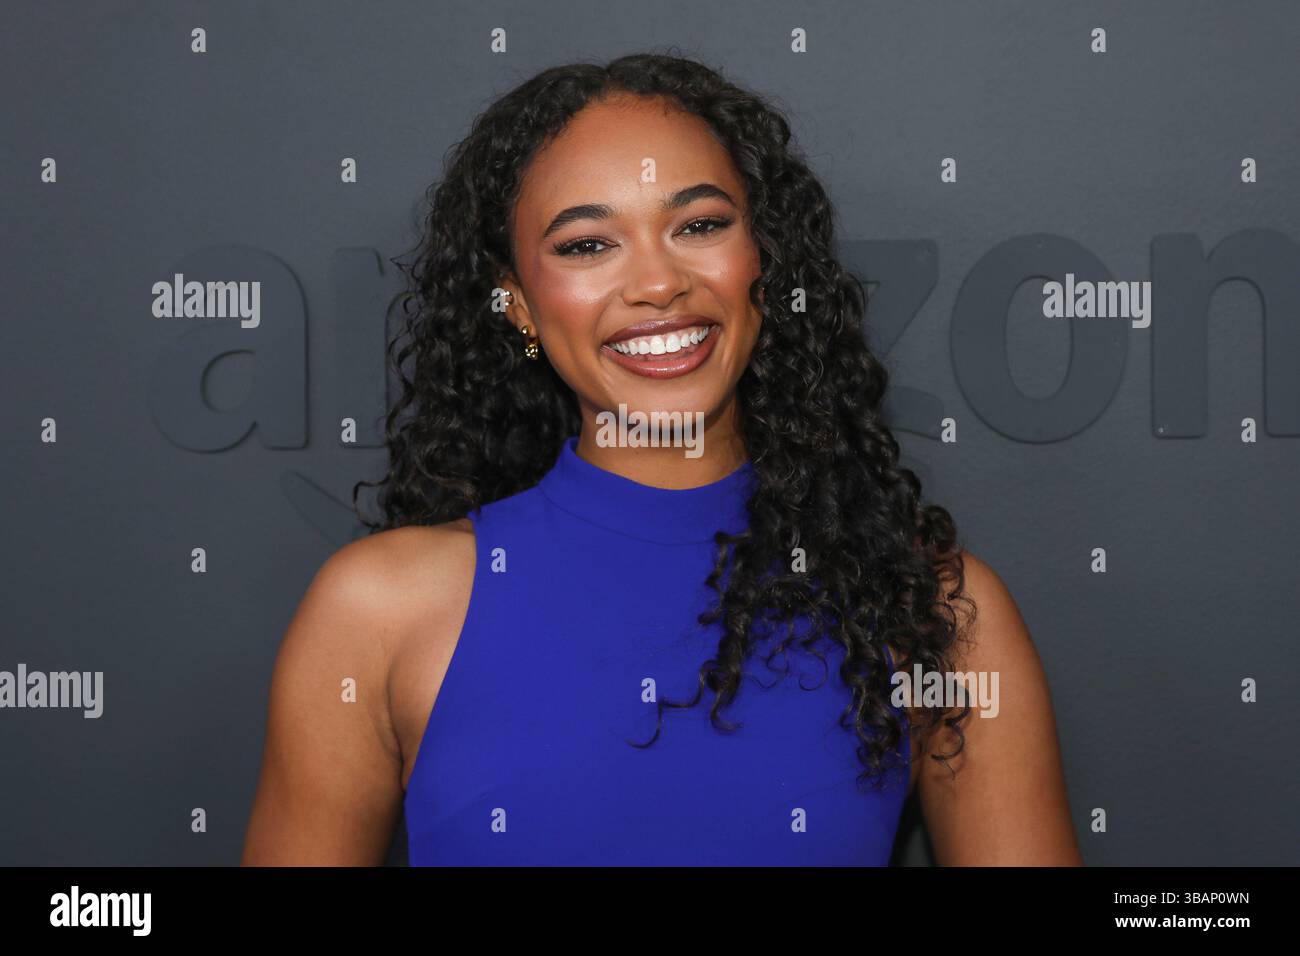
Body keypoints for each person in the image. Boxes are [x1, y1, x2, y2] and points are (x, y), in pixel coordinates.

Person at [242, 51, 1082, 866]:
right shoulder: (377, 611)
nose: (656, 282)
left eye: (700, 225)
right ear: (518, 305)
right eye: (585, 245)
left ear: (764, 261)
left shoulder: (934, 613)